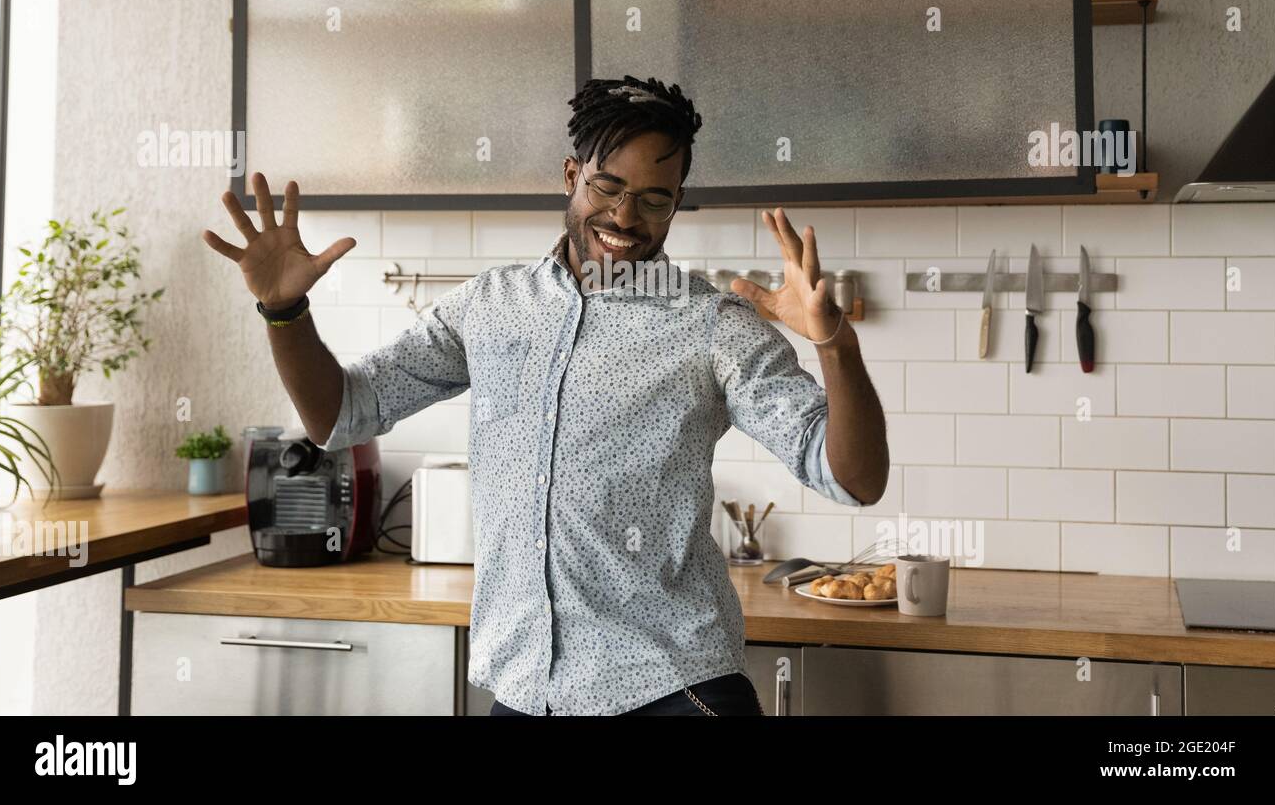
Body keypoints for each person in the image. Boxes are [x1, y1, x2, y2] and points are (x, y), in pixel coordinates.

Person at [203, 74, 889, 716]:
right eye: (607, 186)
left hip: (672, 692)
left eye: (655, 198)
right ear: (571, 176)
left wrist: (837, 346)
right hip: (524, 689)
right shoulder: (489, 307)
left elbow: (854, 478)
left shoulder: (712, 326)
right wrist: (286, 314)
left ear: (678, 202)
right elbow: (342, 414)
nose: (625, 215)